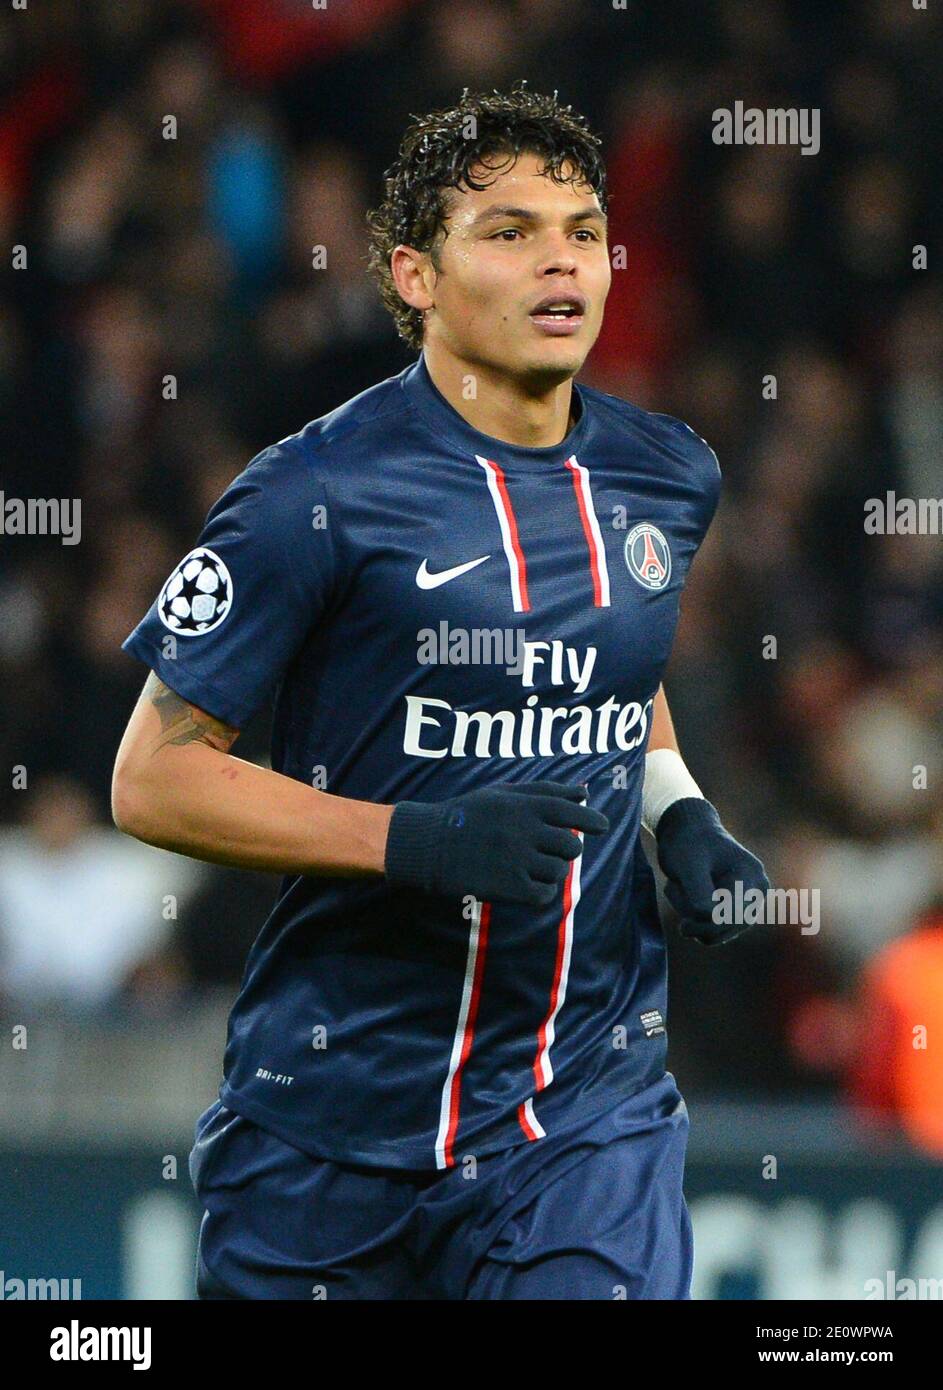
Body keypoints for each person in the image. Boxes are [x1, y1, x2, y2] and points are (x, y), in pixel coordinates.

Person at [112, 84, 769, 1300]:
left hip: (581, 1114)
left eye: (581, 228)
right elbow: (152, 778)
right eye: (508, 231)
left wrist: (677, 809)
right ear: (414, 275)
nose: (559, 260)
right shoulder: (312, 494)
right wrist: (411, 838)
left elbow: (620, 664)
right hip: (329, 1126)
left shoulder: (667, 474)